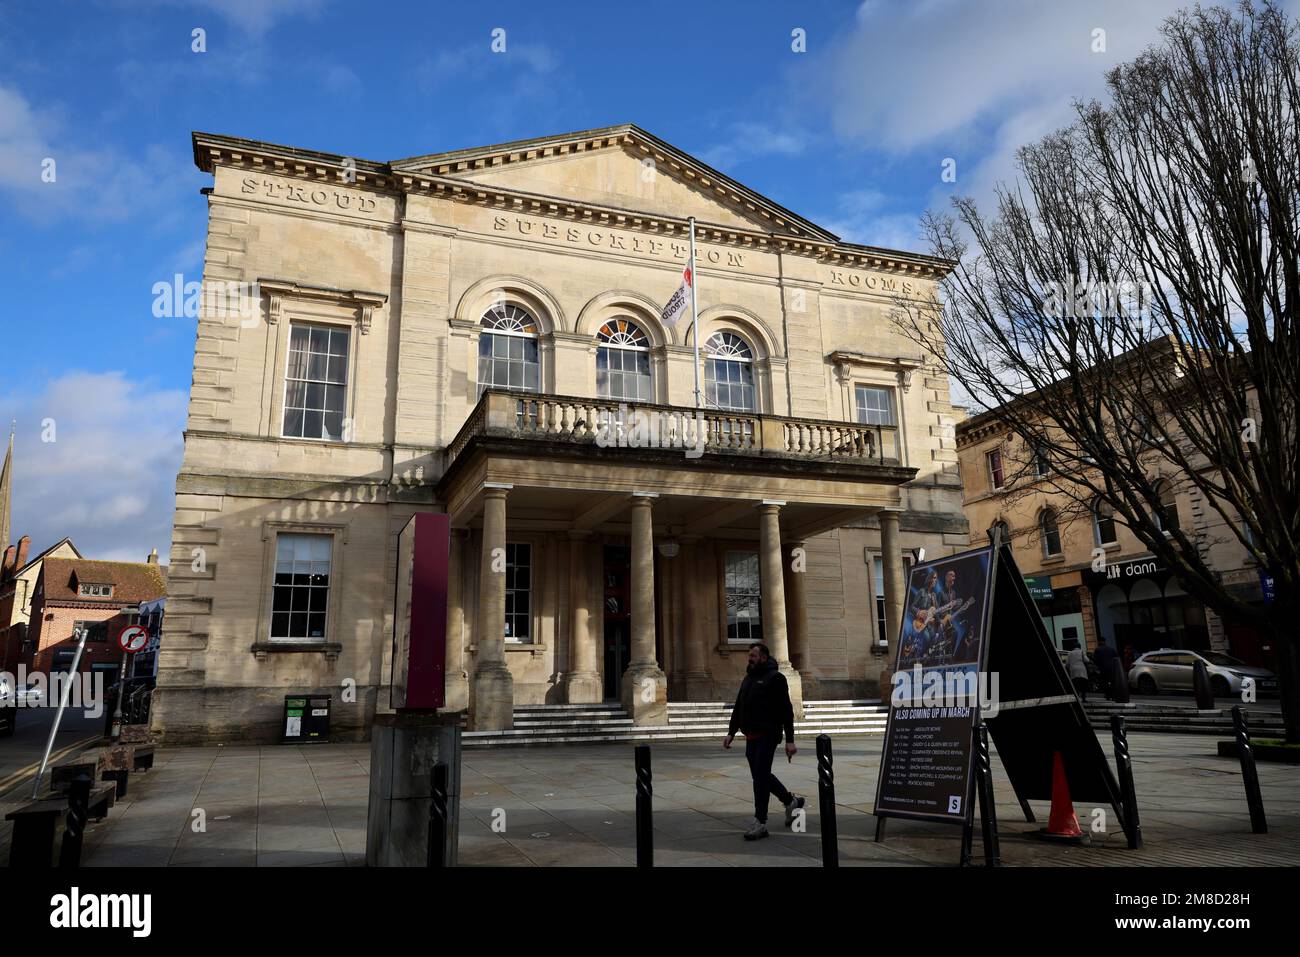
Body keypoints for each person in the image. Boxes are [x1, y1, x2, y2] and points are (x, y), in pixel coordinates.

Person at [723, 643, 804, 841]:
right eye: (749, 655)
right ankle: (790, 801)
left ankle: (760, 822)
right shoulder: (749, 678)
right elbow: (739, 706)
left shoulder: (775, 678)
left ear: (764, 658)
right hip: (750, 736)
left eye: (753, 655)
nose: (750, 658)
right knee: (762, 775)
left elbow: (786, 711)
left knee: (759, 778)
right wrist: (731, 732)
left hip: (768, 735)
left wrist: (790, 740)